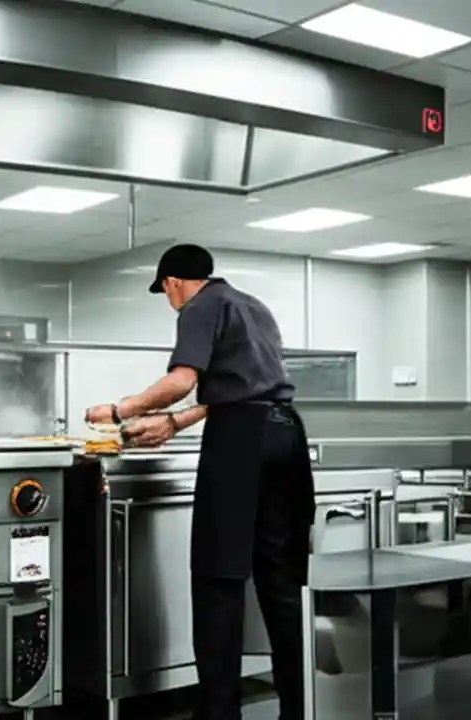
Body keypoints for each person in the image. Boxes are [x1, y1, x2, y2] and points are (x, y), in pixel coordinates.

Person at [86, 244, 316, 720]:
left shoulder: (198, 306)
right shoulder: (255, 307)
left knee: (218, 578)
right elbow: (238, 392)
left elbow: (181, 381)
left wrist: (118, 410)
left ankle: (217, 713)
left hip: (240, 443)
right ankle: (299, 708)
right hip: (287, 434)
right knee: (281, 579)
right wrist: (173, 425)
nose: (169, 299)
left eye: (165, 291)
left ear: (172, 282)